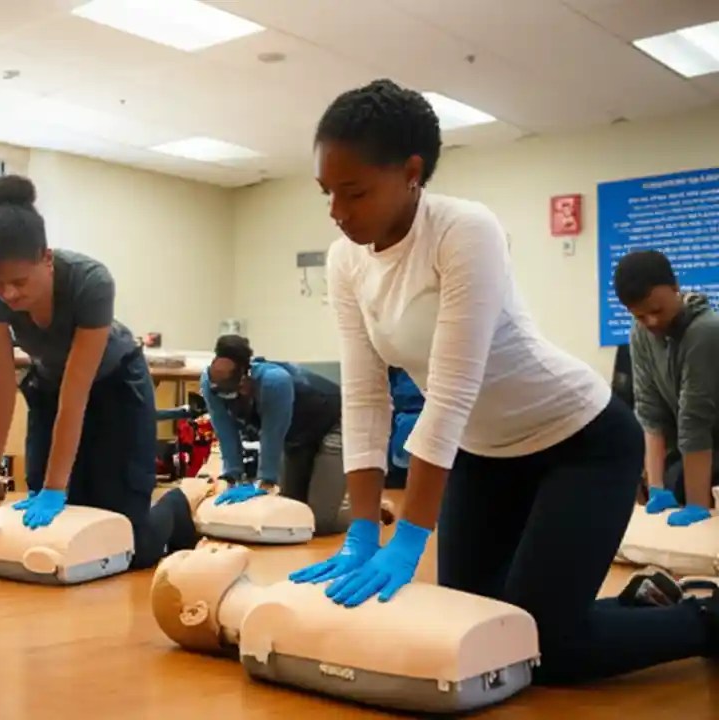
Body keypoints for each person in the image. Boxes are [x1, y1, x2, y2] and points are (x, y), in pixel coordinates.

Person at [288, 79, 716, 684]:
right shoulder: (345, 259)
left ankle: (708, 620)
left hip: (580, 442)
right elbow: (364, 394)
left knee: (546, 648)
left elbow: (454, 388)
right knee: (480, 628)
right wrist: (361, 528)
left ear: (412, 172)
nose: (337, 211)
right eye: (326, 192)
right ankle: (642, 603)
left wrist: (410, 536)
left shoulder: (465, 229)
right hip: (485, 455)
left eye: (353, 192)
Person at [0, 174, 198, 569]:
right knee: (52, 537)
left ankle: (177, 507)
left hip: (115, 387)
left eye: (19, 282)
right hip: (50, 386)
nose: (8, 294)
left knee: (126, 543)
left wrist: (55, 489)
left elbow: (76, 394)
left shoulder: (90, 281)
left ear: (47, 258)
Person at [613, 250, 719, 526]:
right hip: (693, 445)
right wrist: (656, 489)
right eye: (639, 316)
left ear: (676, 289)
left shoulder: (706, 331)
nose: (651, 322)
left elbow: (695, 417)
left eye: (657, 310)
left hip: (710, 437)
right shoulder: (640, 334)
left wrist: (697, 505)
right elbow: (649, 409)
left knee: (689, 485)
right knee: (674, 481)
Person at [198, 335, 347, 527]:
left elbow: (272, 434)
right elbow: (225, 431)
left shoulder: (274, 382)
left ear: (245, 379)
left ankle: (368, 512)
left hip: (335, 422)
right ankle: (336, 499)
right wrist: (232, 478)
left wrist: (265, 481)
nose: (223, 397)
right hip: (297, 436)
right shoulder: (210, 383)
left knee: (320, 522)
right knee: (293, 517)